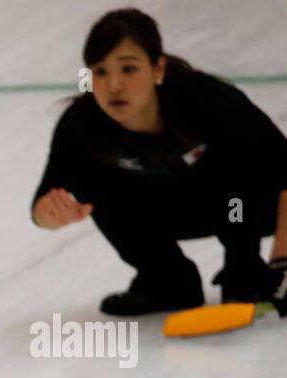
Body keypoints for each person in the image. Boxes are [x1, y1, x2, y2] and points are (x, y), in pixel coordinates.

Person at [31, 8, 287, 317]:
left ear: (158, 68)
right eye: (100, 71)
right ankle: (167, 280)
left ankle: (244, 269)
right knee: (95, 184)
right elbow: (45, 197)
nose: (114, 85)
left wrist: (282, 260)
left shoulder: (206, 99)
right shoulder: (82, 123)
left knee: (233, 180)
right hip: (169, 208)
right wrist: (49, 213)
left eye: (129, 69)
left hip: (242, 208)